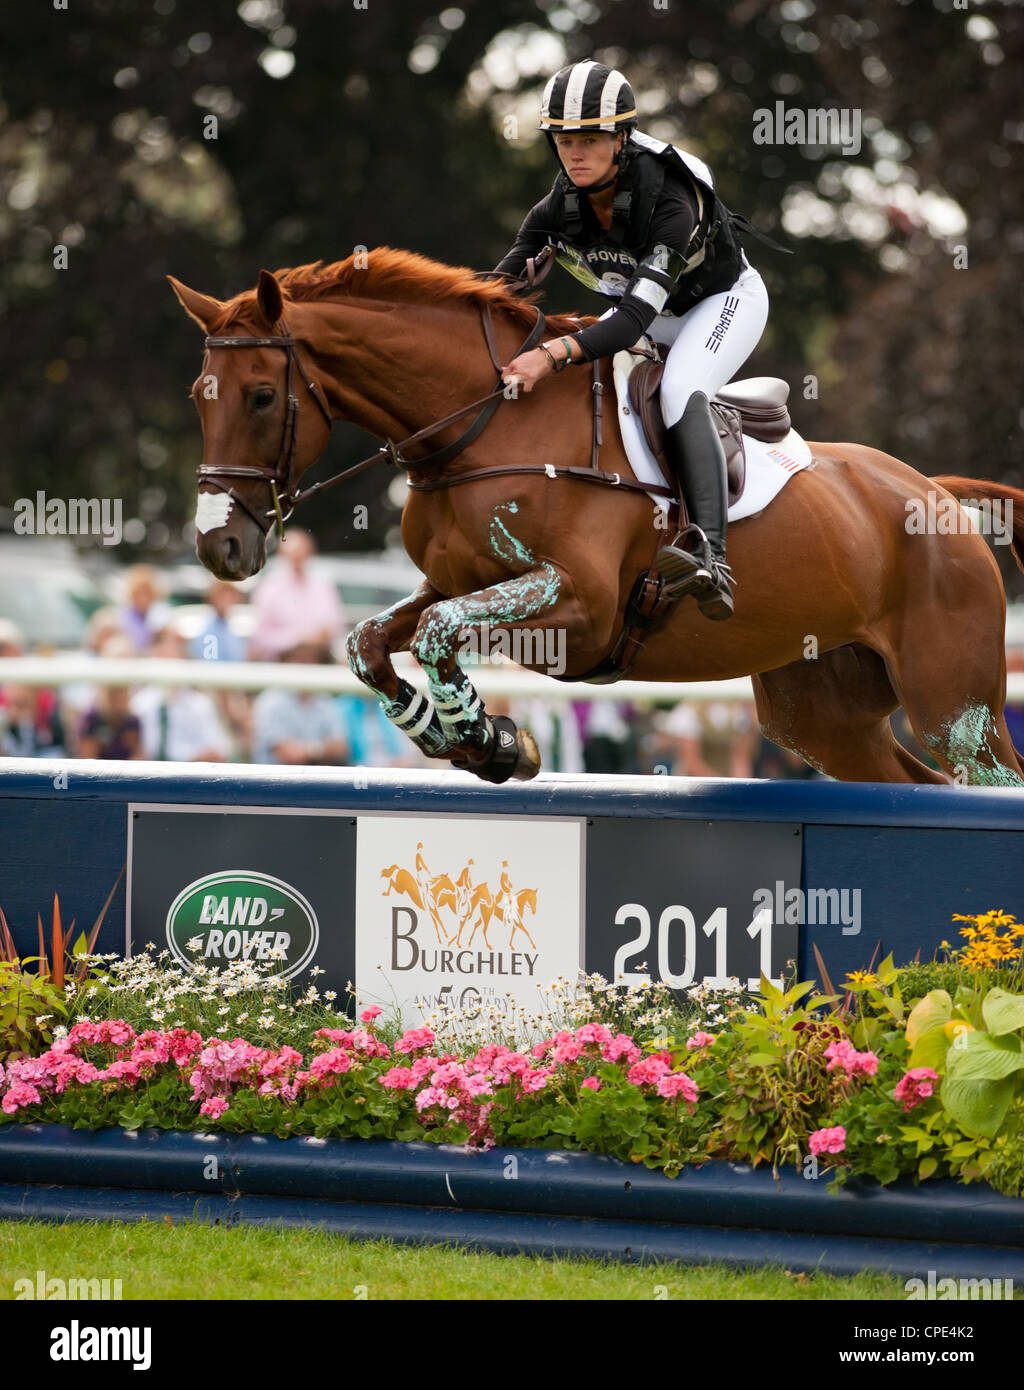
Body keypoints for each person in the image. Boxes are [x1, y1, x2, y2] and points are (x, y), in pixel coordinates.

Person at [495, 60, 783, 621]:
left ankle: (710, 555)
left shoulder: (672, 200)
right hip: (646, 311)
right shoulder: (557, 207)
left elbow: (628, 324)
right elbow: (491, 288)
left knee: (679, 389)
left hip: (721, 305)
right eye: (562, 139)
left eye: (589, 138)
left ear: (621, 138)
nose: (574, 153)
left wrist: (549, 355)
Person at [248, 528, 346, 662]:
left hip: (318, 662)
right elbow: (260, 637)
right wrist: (299, 639)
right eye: (293, 554)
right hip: (281, 664)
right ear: (282, 555)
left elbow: (335, 626)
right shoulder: (269, 587)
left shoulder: (322, 585)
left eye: (302, 553)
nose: (298, 559)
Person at [251, 640, 348, 765]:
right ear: (286, 663)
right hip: (275, 781)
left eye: (311, 661)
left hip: (318, 779)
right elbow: (288, 755)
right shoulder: (271, 701)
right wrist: (321, 749)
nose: (306, 667)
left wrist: (306, 751)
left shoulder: (324, 700)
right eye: (300, 660)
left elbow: (341, 749)